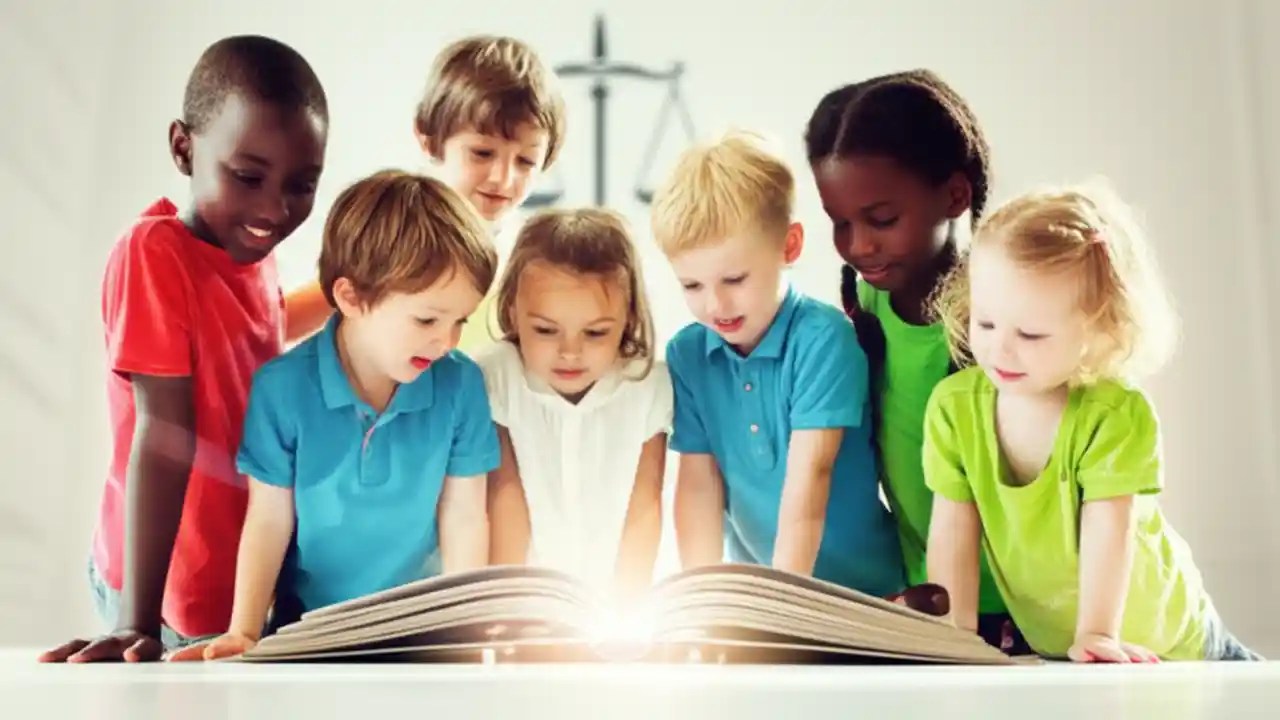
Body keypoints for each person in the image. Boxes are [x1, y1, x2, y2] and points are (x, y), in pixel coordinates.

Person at [39, 34, 329, 663]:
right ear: (183, 147)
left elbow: (262, 333)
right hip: (168, 590)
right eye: (249, 177)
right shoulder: (155, 253)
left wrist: (354, 286)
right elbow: (163, 433)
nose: (275, 208)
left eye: (301, 186)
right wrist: (136, 620)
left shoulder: (252, 251)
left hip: (236, 581)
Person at [925, 180, 1262, 662]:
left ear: (1098, 328)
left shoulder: (1114, 412)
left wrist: (1097, 631)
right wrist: (952, 633)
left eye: (1032, 334)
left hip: (1169, 638)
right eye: (985, 323)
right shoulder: (954, 409)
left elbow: (1110, 526)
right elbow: (953, 529)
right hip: (1065, 649)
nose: (1000, 347)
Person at [170, 170, 500, 661]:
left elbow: (465, 515)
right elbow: (268, 518)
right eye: (427, 319)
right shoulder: (280, 388)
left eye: (460, 322)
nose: (446, 341)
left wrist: (467, 633)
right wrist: (245, 629)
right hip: (307, 633)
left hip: (422, 635)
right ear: (350, 297)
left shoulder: (461, 384)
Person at [803, 69, 1021, 649]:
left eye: (881, 220)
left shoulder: (1002, 312)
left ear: (954, 195)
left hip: (1018, 603)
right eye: (840, 224)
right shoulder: (862, 298)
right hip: (926, 599)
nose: (858, 245)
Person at [651, 129, 904, 597]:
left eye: (734, 278)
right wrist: (700, 602)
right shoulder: (688, 355)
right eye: (692, 286)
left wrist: (784, 605)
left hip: (870, 596)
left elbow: (812, 476)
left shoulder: (822, 338)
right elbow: (699, 491)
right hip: (762, 595)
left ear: (789, 246)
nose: (716, 304)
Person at [283, 34, 566, 353]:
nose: (503, 178)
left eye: (526, 161)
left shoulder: (527, 253)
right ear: (428, 138)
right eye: (482, 153)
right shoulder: (397, 228)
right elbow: (285, 322)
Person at [476, 208, 672, 599]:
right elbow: (504, 496)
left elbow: (645, 504)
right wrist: (504, 604)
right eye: (546, 330)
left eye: (596, 333)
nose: (570, 352)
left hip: (610, 596)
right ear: (513, 311)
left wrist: (626, 605)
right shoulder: (493, 374)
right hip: (522, 593)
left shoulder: (648, 382)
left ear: (628, 316)